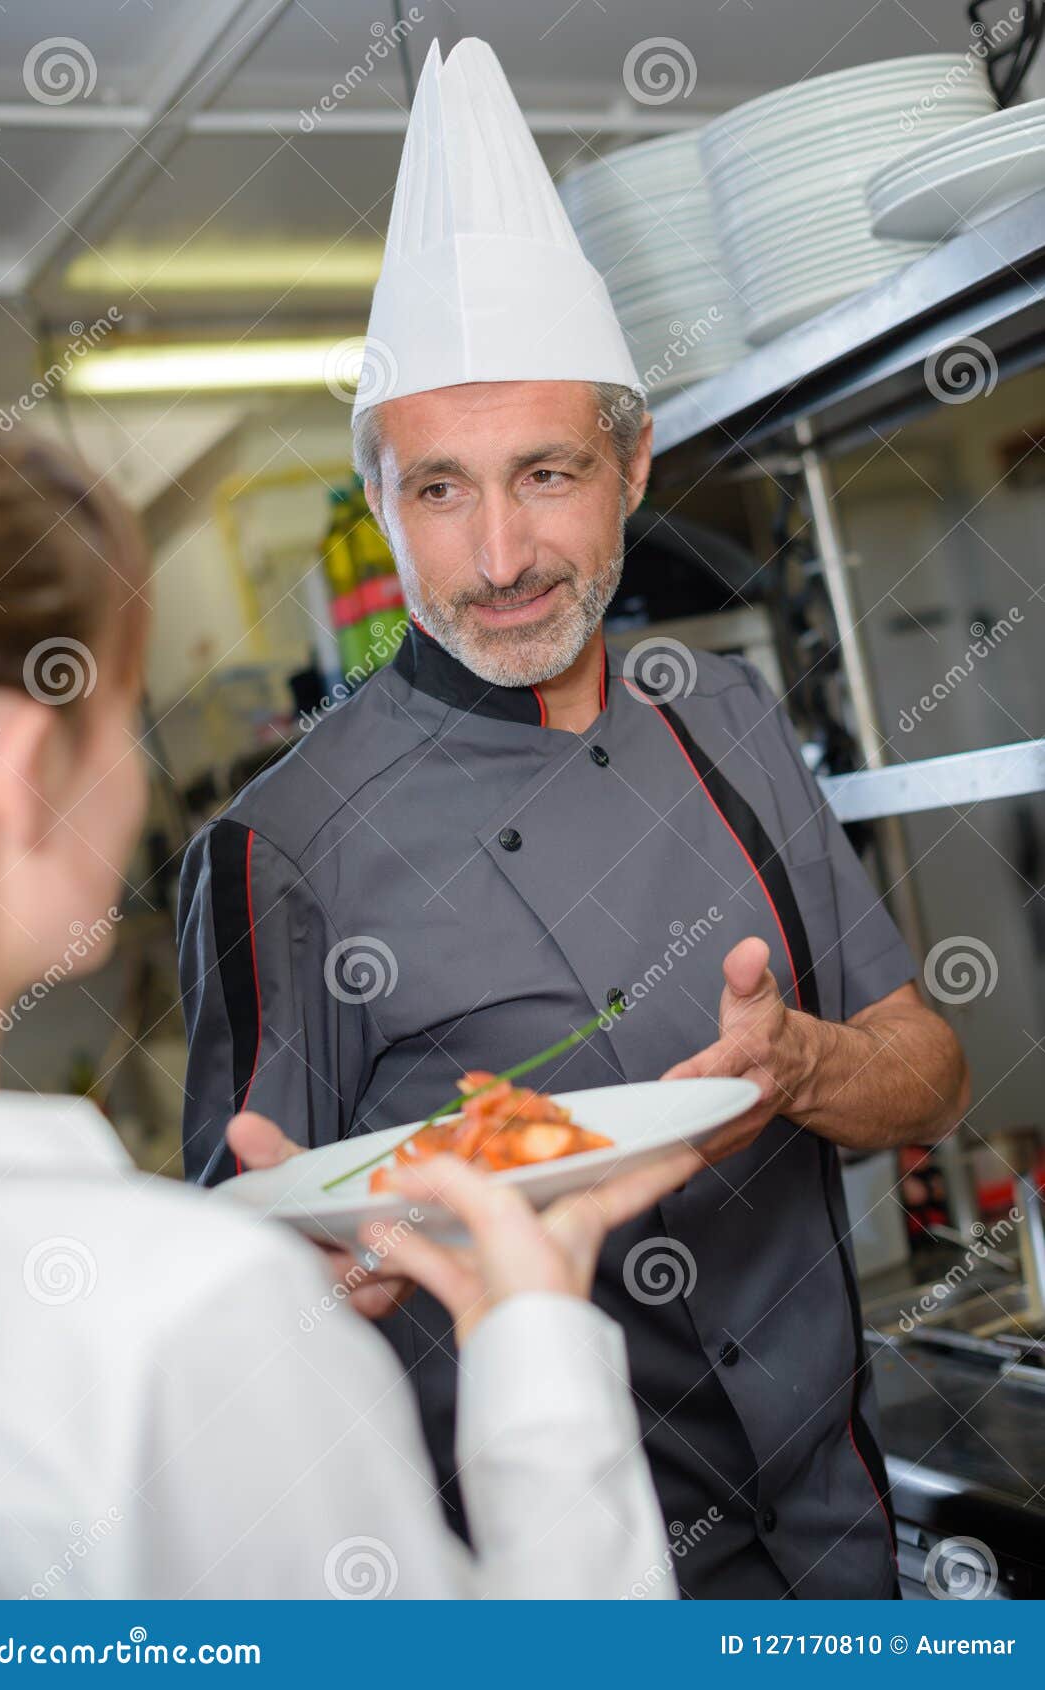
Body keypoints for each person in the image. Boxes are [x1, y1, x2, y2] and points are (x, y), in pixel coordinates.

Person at [179, 39, 969, 1600]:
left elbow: (928, 1074)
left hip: (840, 1552)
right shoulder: (285, 844)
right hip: (559, 1583)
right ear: (385, 504)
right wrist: (300, 1281)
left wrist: (802, 1062)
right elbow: (239, 1282)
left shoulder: (729, 720)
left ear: (634, 463)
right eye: (439, 492)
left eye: (546, 472)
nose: (498, 557)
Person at [0, 427, 708, 1600]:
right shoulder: (178, 1315)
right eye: (125, 708)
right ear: (23, 773)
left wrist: (280, 1335)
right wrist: (533, 1331)